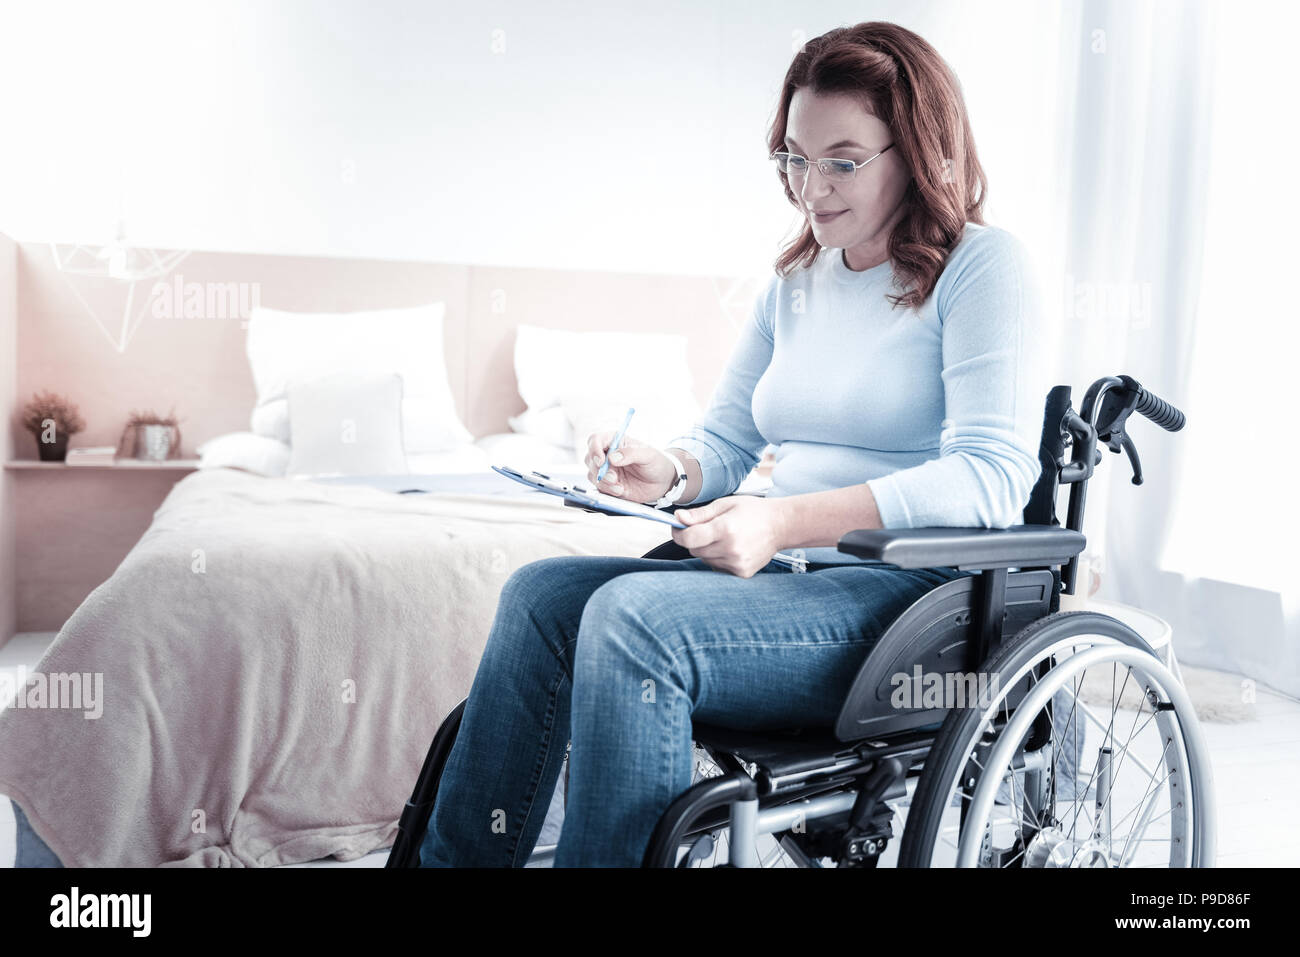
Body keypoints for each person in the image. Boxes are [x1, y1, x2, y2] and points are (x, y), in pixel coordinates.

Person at [420, 20, 1049, 867]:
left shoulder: (983, 268)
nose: (810, 188)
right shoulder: (794, 284)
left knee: (635, 622)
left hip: (907, 605)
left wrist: (781, 520)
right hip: (786, 580)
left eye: (842, 161)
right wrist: (669, 471)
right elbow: (725, 441)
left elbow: (989, 479)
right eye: (794, 157)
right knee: (540, 595)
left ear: (917, 151)